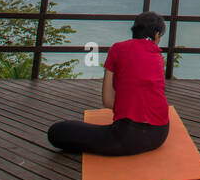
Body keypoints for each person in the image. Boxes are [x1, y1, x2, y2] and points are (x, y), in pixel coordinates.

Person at [47, 11, 171, 156]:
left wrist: (127, 102)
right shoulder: (157, 55)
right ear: (156, 36)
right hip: (161, 133)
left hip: (128, 137)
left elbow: (108, 101)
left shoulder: (117, 49)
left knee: (57, 132)